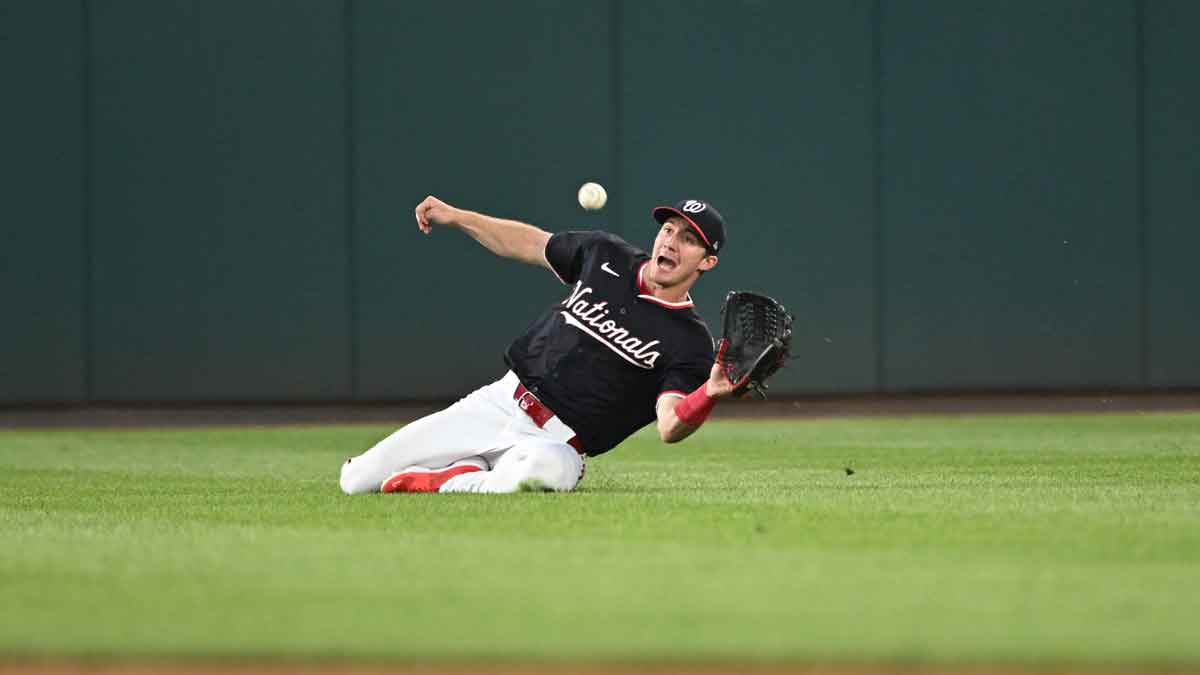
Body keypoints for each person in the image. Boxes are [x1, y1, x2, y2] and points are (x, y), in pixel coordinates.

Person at [339, 195, 738, 494]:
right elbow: (528, 243)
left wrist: (710, 393)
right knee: (355, 480)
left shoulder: (690, 341)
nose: (670, 242)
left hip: (558, 442)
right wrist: (459, 217)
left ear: (707, 262)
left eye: (688, 239)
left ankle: (452, 481)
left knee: (542, 472)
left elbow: (669, 426)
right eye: (668, 229)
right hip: (497, 404)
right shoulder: (605, 254)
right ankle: (473, 469)